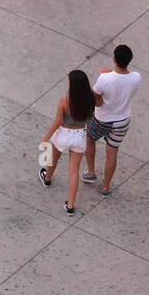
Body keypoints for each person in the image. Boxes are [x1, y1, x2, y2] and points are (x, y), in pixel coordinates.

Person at [83, 44, 141, 197]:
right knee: (112, 152)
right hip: (122, 121)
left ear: (114, 59)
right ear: (129, 60)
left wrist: (105, 74)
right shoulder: (136, 77)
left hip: (102, 119)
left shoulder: (104, 79)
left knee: (89, 138)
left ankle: (90, 172)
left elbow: (95, 95)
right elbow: (122, 80)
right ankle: (105, 187)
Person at [39, 70, 93, 216]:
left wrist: (46, 137)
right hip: (80, 136)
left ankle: (47, 178)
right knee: (74, 171)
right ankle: (70, 205)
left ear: (72, 84)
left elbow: (57, 122)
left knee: (52, 159)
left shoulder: (65, 101)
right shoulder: (91, 99)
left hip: (64, 134)